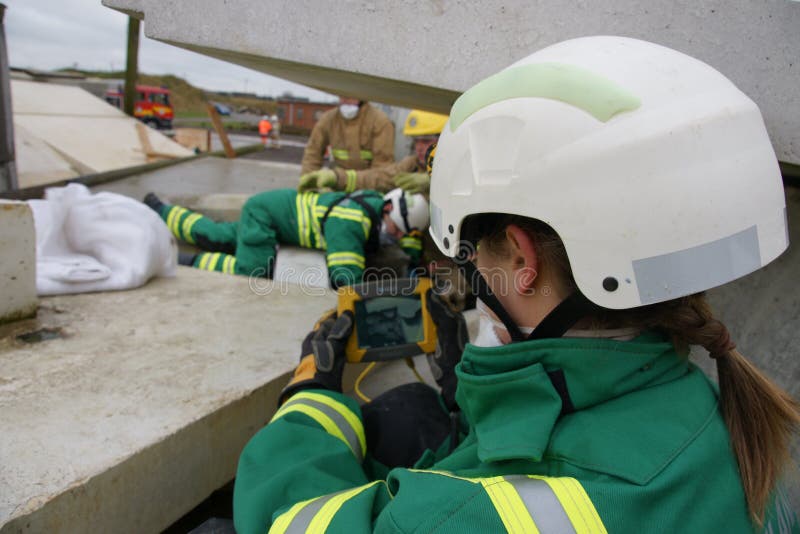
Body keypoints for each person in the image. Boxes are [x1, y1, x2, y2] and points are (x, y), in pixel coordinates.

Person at [232, 36, 800, 533]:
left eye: (470, 255)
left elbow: (289, 520)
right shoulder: (714, 405)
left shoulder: (452, 518)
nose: (471, 278)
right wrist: (489, 404)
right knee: (411, 416)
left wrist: (309, 402)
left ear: (523, 261)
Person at [142, 187, 428, 289]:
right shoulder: (352, 221)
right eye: (397, 230)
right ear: (388, 210)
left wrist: (415, 262)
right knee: (251, 271)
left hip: (272, 209)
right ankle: (184, 260)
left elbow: (406, 239)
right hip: (266, 217)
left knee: (216, 234)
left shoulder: (373, 203)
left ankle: (159, 209)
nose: (398, 237)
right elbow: (345, 276)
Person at [298, 108, 447, 194]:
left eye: (426, 140)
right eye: (416, 141)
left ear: (445, 139)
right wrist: (337, 178)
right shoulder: (412, 164)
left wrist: (435, 182)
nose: (419, 147)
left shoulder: (459, 168)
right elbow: (380, 177)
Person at [298, 97, 395, 194]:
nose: (345, 100)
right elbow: (312, 154)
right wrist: (307, 186)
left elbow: (382, 169)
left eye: (350, 96)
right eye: (342, 96)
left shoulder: (380, 122)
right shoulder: (329, 119)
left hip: (367, 189)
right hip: (337, 186)